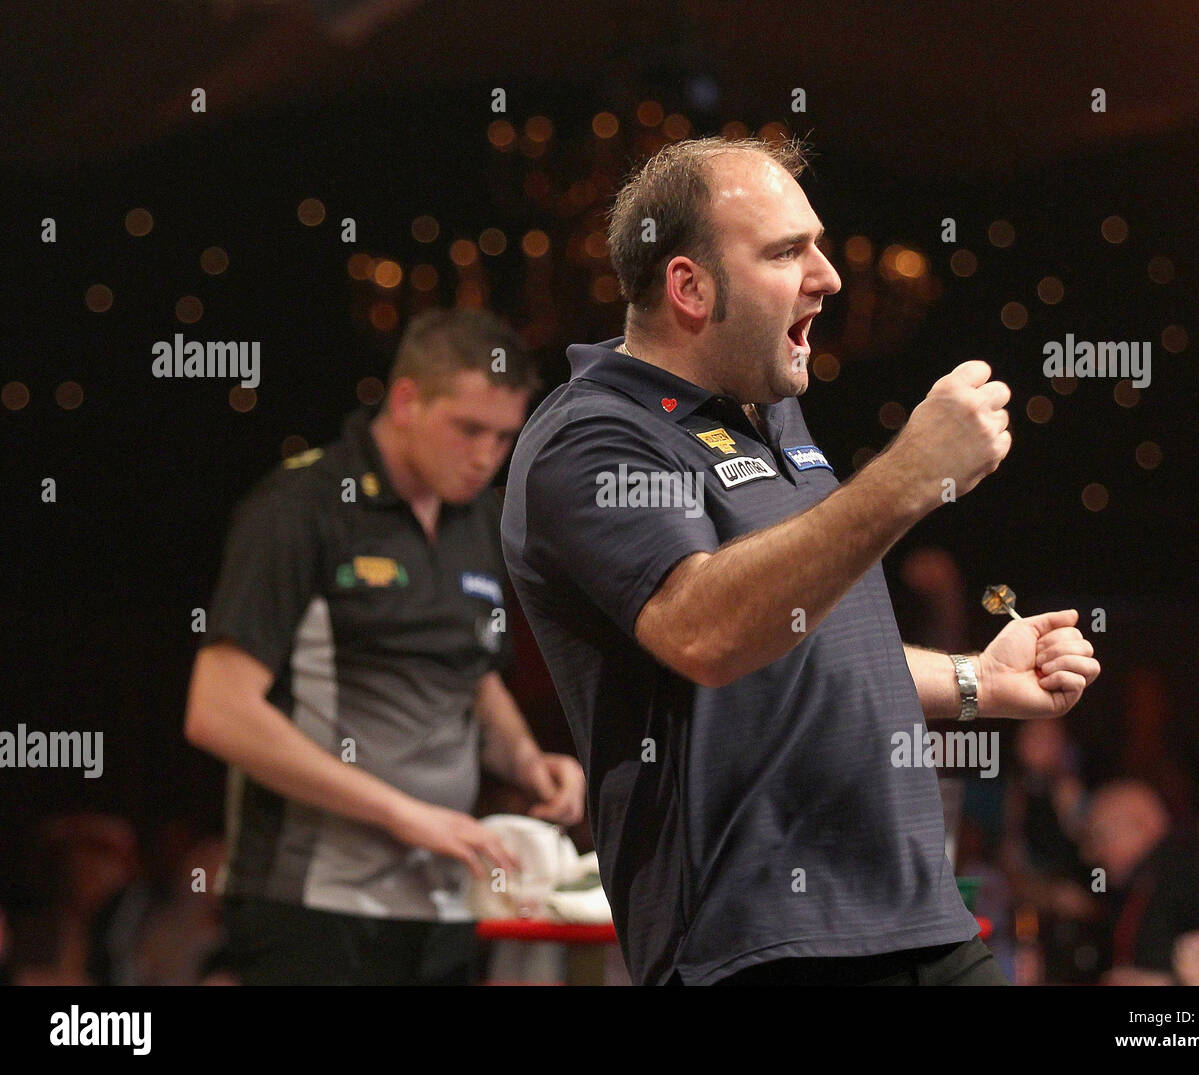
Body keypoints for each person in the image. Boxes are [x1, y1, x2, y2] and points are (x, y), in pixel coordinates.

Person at [501, 136, 1101, 986]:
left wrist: (976, 682)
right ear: (689, 285)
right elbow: (705, 631)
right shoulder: (591, 437)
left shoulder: (771, 415)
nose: (830, 276)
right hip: (757, 943)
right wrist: (907, 475)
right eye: (788, 251)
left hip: (916, 914)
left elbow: (796, 642)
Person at [185, 308, 586, 985]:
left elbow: (474, 678)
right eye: (468, 429)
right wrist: (407, 816)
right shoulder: (299, 507)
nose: (486, 455)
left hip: (444, 901)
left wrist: (527, 761)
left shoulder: (481, 519)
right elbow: (217, 711)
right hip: (313, 902)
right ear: (405, 401)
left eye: (503, 436)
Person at [1080, 780, 1199, 985]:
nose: (1092, 853)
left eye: (1101, 835)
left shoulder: (1189, 867)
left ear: (1143, 825)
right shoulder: (1134, 885)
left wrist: (1168, 981)